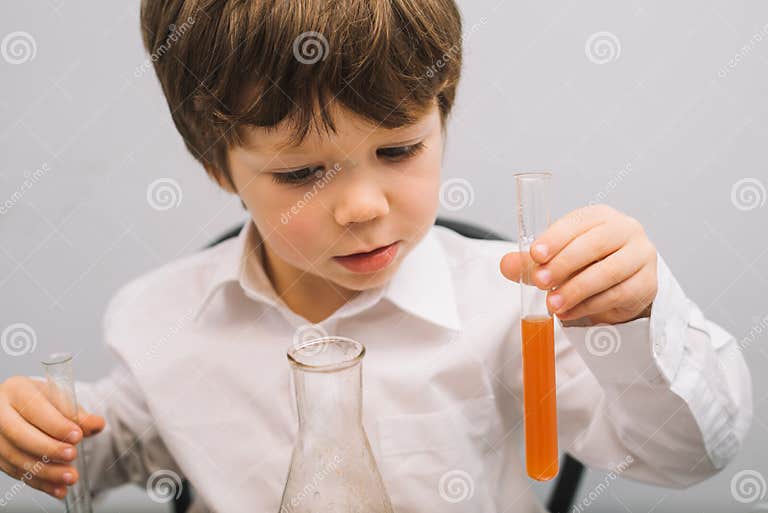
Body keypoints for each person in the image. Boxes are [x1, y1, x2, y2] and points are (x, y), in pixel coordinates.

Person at [0, 1, 752, 512]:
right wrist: (34, 429)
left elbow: (687, 454)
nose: (363, 206)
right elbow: (104, 450)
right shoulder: (165, 320)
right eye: (301, 173)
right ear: (218, 167)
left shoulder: (508, 313)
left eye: (399, 150)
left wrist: (635, 316)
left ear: (441, 115)